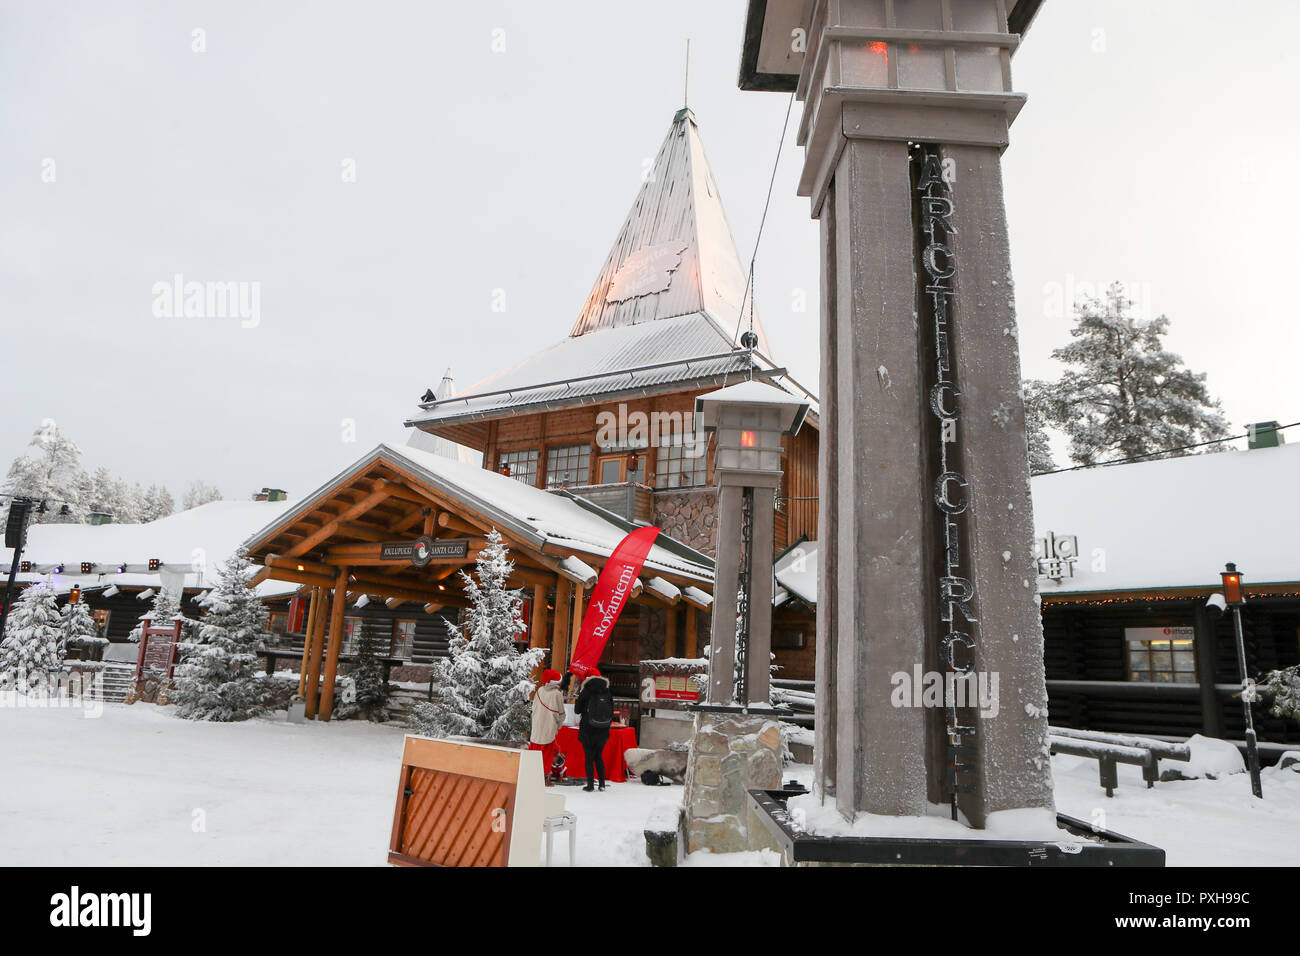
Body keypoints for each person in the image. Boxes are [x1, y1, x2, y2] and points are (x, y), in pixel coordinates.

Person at [574, 669, 614, 792]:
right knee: (598, 756)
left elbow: (577, 710)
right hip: (603, 730)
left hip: (588, 729)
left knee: (589, 757)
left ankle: (590, 785)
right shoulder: (607, 690)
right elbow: (611, 710)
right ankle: (602, 784)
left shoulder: (586, 691)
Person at [529, 670, 566, 785]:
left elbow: (534, 708)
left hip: (537, 727)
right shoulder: (557, 694)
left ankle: (530, 776)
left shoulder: (539, 691)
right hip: (549, 728)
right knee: (547, 754)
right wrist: (558, 726)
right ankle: (544, 780)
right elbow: (561, 714)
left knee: (534, 752)